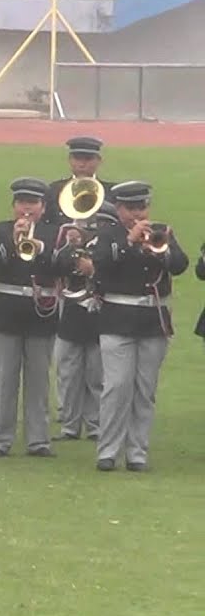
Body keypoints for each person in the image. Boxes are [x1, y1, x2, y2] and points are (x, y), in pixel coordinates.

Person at [92, 181, 187, 472]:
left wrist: (163, 251)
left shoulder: (161, 230)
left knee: (145, 389)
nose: (137, 213)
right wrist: (130, 242)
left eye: (141, 207)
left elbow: (181, 265)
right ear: (118, 208)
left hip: (152, 321)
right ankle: (107, 451)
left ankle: (137, 452)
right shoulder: (108, 234)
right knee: (117, 387)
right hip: (117, 319)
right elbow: (102, 265)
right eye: (130, 208)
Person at [0, 178, 59, 459]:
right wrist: (14, 242)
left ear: (42, 207)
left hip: (41, 312)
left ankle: (38, 439)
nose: (27, 209)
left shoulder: (53, 233)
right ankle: (0, 438)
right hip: (7, 312)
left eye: (33, 203)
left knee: (39, 379)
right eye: (22, 203)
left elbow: (63, 264)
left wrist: (38, 246)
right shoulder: (0, 231)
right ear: (14, 206)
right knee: (5, 379)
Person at [53, 201, 117, 442]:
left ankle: (95, 425)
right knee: (68, 373)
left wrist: (93, 268)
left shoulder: (108, 249)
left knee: (96, 374)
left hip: (100, 315)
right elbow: (57, 265)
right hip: (72, 314)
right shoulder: (73, 245)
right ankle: (69, 425)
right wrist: (72, 244)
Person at [43, 137, 117, 227]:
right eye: (77, 159)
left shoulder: (112, 192)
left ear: (99, 161)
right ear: (69, 160)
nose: (82, 164)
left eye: (88, 159)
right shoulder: (54, 190)